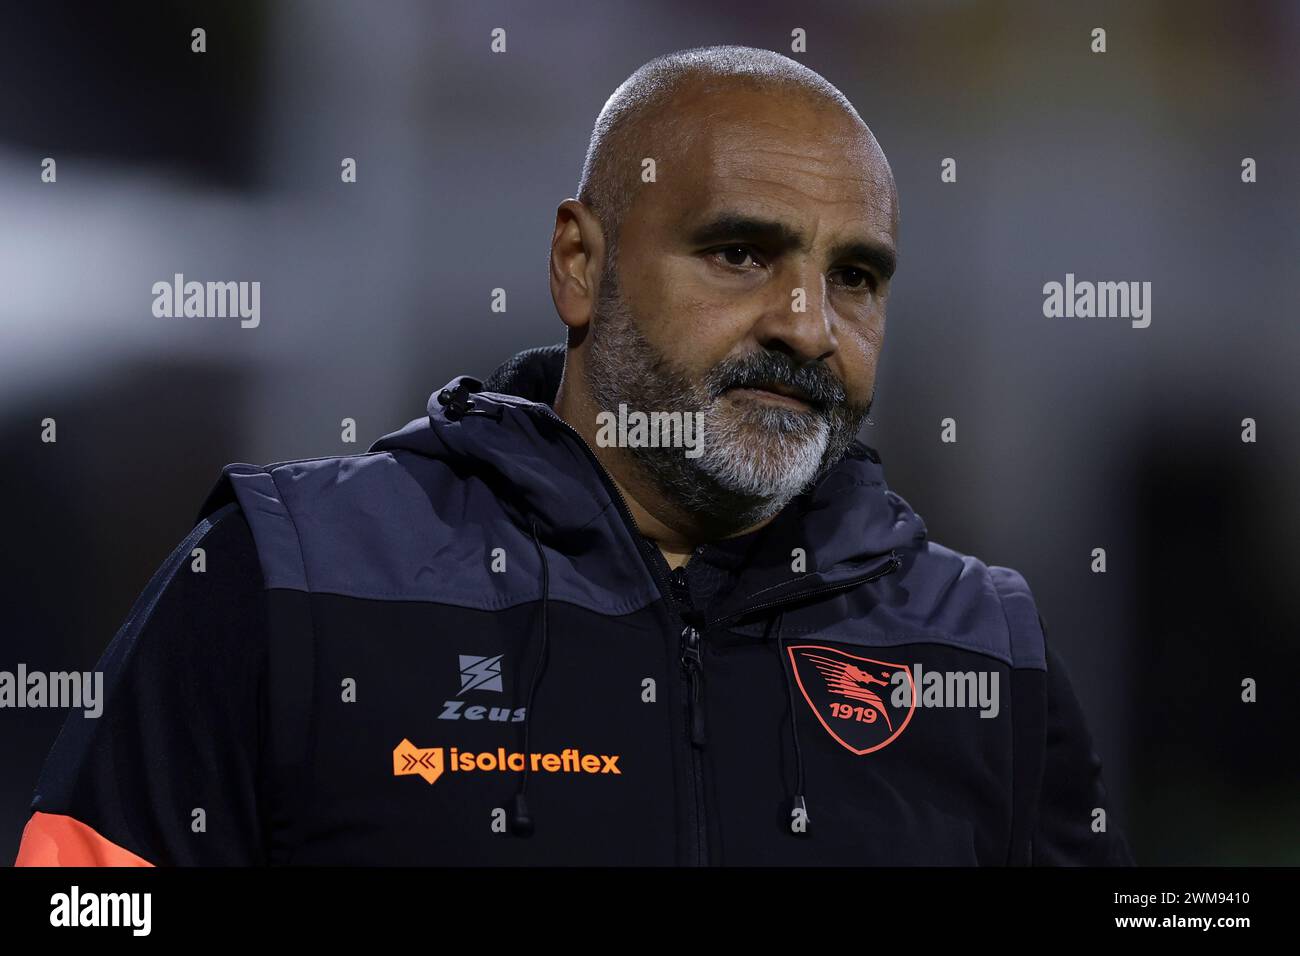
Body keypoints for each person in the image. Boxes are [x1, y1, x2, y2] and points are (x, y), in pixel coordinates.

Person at [13, 45, 1133, 866]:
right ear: (577, 264)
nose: (807, 324)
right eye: (741, 251)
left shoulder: (985, 648)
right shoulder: (291, 575)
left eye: (855, 277)